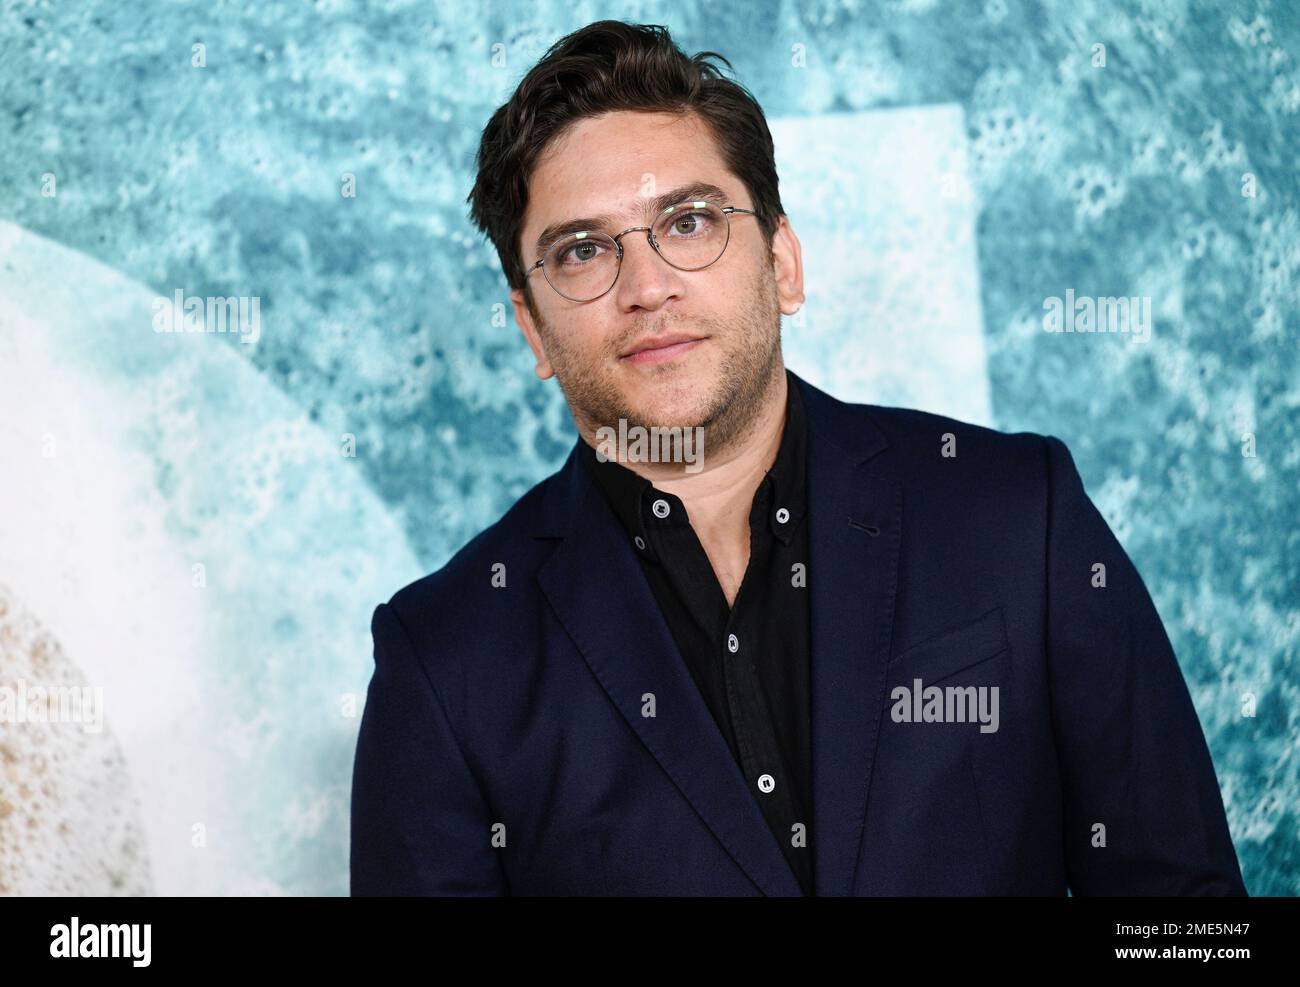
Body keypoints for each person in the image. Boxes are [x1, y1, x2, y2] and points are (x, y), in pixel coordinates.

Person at [350, 20, 1246, 896]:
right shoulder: (445, 661)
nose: (647, 286)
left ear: (782, 262)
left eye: (690, 221)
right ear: (532, 327)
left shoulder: (1022, 515)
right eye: (583, 251)